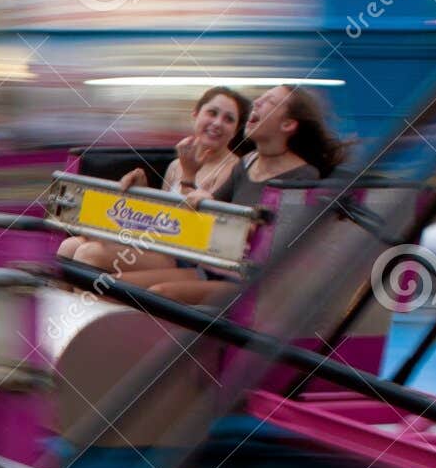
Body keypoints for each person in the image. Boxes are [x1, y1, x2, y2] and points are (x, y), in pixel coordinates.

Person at [140, 84, 346, 306]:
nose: (256, 102)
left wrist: (227, 218)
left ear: (287, 124)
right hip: (214, 268)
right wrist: (188, 184)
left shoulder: (303, 176)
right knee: (123, 286)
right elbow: (205, 214)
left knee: (160, 294)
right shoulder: (247, 163)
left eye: (269, 101)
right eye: (260, 98)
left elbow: (276, 241)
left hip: (252, 284)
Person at [62, 86, 250, 278]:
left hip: (188, 258)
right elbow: (164, 215)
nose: (217, 123)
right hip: (158, 244)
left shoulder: (232, 169)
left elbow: (193, 232)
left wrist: (189, 176)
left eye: (228, 119)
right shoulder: (176, 164)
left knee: (89, 254)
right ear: (196, 114)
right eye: (212, 113)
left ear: (235, 131)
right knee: (69, 246)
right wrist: (141, 191)